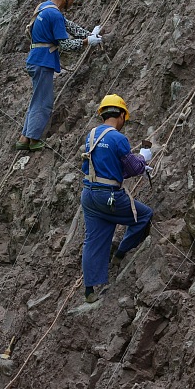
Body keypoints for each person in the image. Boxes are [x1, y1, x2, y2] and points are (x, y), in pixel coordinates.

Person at [15, 0, 104, 151]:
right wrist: (87, 42)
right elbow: (65, 44)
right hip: (43, 62)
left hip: (36, 59)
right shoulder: (54, 14)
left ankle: (24, 139)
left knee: (37, 100)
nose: (73, 2)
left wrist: (89, 34)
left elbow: (68, 25)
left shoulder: (44, 8)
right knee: (43, 102)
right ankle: (33, 140)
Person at [80, 95, 153, 304]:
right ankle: (120, 253)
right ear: (121, 115)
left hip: (89, 195)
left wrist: (134, 166)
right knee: (144, 215)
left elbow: (103, 167)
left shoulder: (91, 135)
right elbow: (132, 167)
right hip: (109, 196)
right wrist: (143, 158)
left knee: (93, 239)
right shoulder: (118, 138)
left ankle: (89, 291)